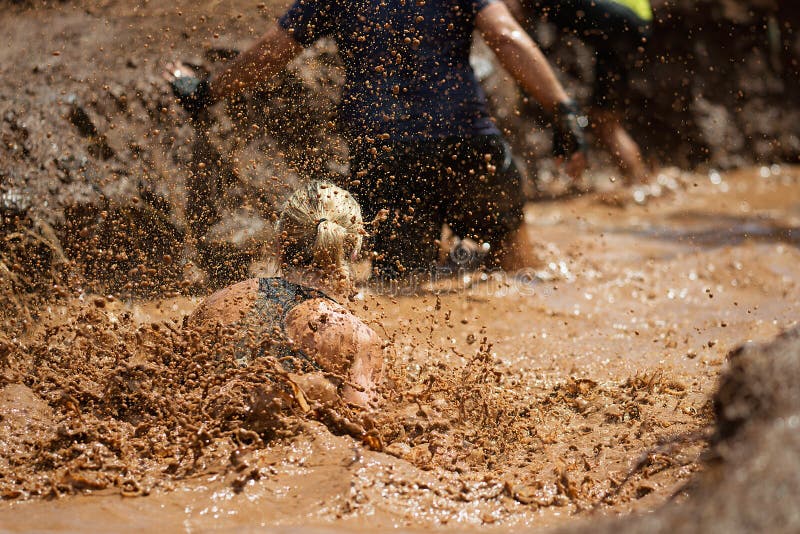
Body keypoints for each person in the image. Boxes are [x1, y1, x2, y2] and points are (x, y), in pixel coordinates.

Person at [165, 0, 587, 279]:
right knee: (518, 273)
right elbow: (505, 36)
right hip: (468, 142)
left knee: (406, 287)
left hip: (387, 151)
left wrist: (206, 92)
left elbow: (275, 50)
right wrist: (564, 112)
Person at [187, 181, 383, 408]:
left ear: (280, 244)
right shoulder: (357, 337)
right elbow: (364, 425)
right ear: (354, 252)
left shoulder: (217, 303)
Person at [508, 0, 653, 184]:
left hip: (620, 20)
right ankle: (640, 185)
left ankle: (637, 185)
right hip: (633, 22)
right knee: (604, 122)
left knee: (602, 123)